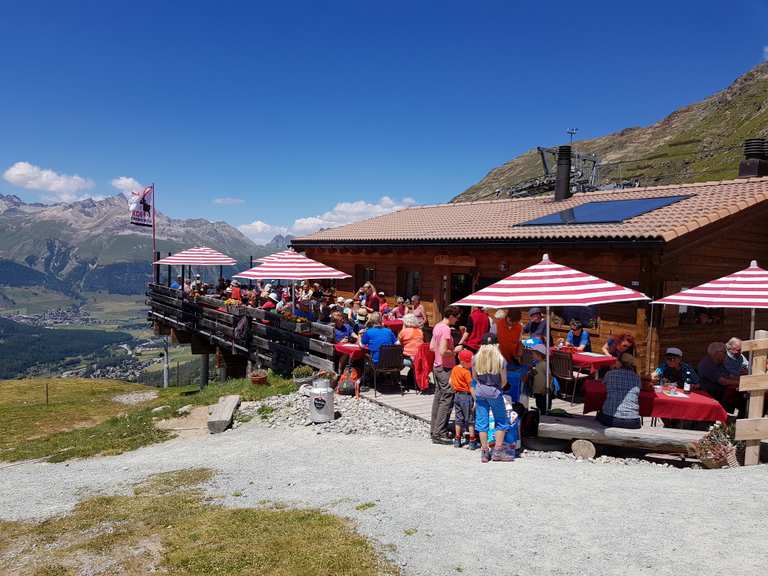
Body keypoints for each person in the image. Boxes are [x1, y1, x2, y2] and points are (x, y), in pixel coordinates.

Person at [472, 333, 515, 462]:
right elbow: (504, 381)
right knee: (501, 421)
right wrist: (497, 387)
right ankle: (497, 451)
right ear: (496, 345)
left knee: (482, 422)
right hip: (495, 392)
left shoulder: (475, 358)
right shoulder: (500, 360)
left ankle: (484, 452)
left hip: (480, 391)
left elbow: (474, 377)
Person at [429, 305, 463, 444]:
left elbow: (432, 347)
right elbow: (443, 351)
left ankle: (434, 429)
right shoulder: (446, 329)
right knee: (447, 398)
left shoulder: (437, 326)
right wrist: (455, 351)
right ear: (451, 316)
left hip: (437, 366)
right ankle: (439, 432)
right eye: (457, 317)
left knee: (439, 398)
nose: (457, 320)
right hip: (445, 368)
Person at [597, 353, 642, 429]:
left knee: (599, 413)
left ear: (619, 362)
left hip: (610, 419)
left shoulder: (610, 374)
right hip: (633, 421)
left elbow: (602, 385)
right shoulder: (637, 377)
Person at [698, 342, 742, 413]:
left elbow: (729, 375)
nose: (726, 355)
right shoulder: (707, 364)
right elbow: (723, 381)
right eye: (725, 352)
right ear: (717, 353)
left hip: (722, 394)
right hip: (712, 397)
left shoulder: (719, 363)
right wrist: (742, 383)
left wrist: (744, 379)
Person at [450, 349, 479, 450]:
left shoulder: (454, 369)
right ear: (463, 362)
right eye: (470, 362)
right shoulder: (466, 372)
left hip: (457, 395)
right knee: (470, 420)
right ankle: (472, 441)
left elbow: (450, 382)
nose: (472, 364)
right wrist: (475, 400)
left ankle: (457, 440)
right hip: (467, 397)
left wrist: (455, 389)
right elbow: (471, 387)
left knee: (458, 419)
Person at [529, 343, 554, 414]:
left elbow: (549, 376)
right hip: (538, 391)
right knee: (539, 403)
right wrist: (532, 371)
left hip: (543, 391)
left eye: (533, 354)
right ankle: (541, 412)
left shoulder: (544, 364)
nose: (532, 356)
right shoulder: (537, 364)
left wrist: (546, 387)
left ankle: (544, 413)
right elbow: (537, 374)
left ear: (539, 355)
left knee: (544, 405)